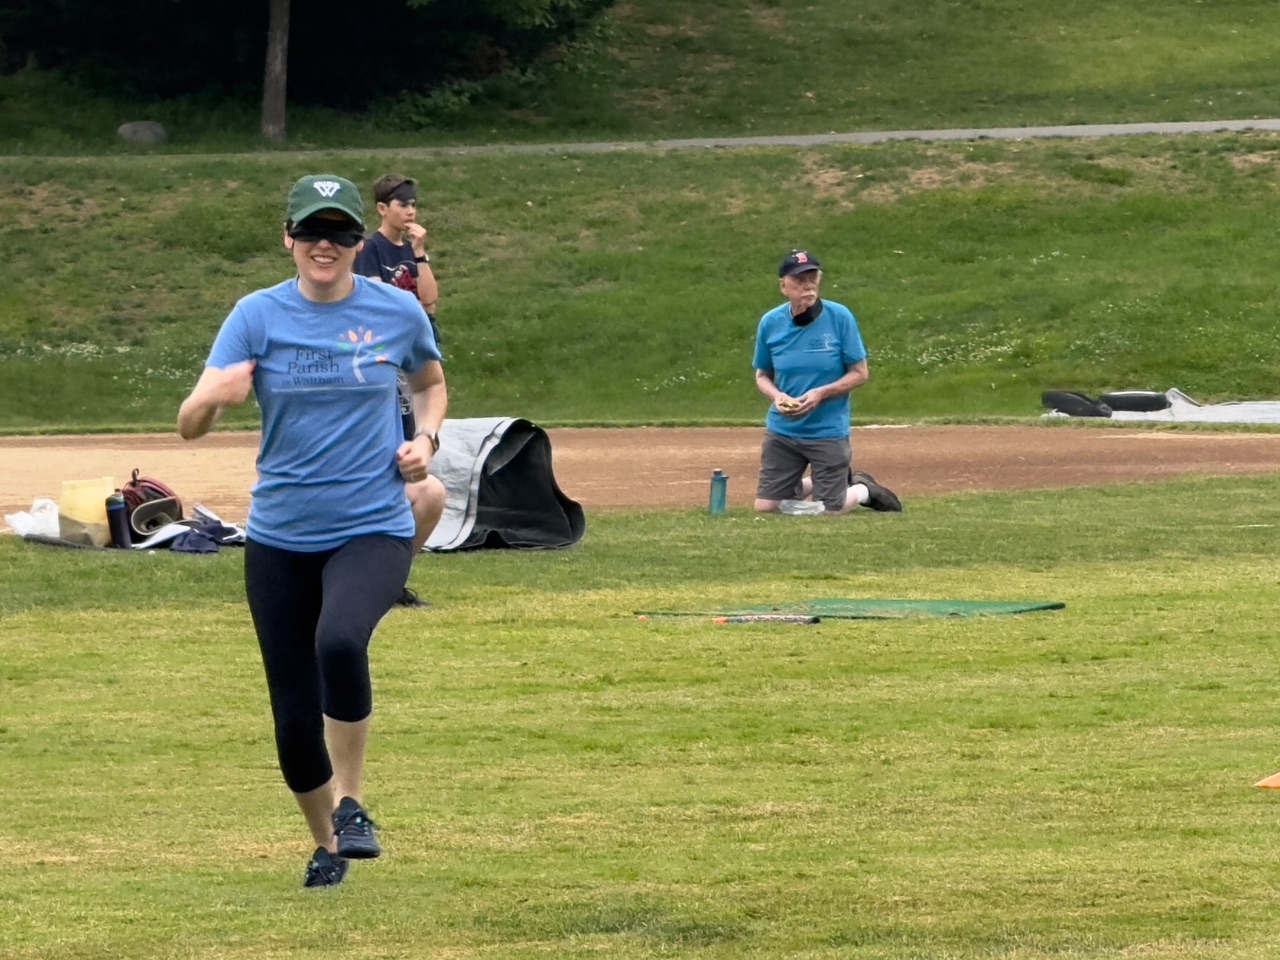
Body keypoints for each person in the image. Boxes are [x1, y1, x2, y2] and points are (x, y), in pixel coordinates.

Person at [177, 173, 448, 888]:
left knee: (340, 640)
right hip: (279, 538)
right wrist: (217, 396)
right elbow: (189, 424)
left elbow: (429, 383)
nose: (324, 245)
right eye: (311, 232)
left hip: (371, 525)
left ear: (359, 241)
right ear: (288, 239)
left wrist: (426, 440)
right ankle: (328, 843)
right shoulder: (255, 315)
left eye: (340, 234)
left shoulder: (395, 310)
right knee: (295, 722)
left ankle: (353, 805)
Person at [752, 249, 902, 515]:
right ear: (783, 286)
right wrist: (777, 396)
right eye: (799, 280)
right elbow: (762, 375)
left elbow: (860, 373)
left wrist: (821, 393)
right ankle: (824, 482)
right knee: (767, 508)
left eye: (813, 278)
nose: (808, 285)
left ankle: (863, 489)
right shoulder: (770, 323)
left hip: (827, 431)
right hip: (783, 431)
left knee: (826, 511)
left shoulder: (840, 317)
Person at [354, 173, 445, 606]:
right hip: (384, 360)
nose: (410, 211)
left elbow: (430, 302)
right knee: (390, 449)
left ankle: (389, 578)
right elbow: (376, 304)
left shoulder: (410, 250)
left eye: (412, 203)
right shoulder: (371, 250)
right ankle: (375, 573)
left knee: (412, 446)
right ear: (382, 209)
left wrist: (420, 254)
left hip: (415, 356)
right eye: (402, 204)